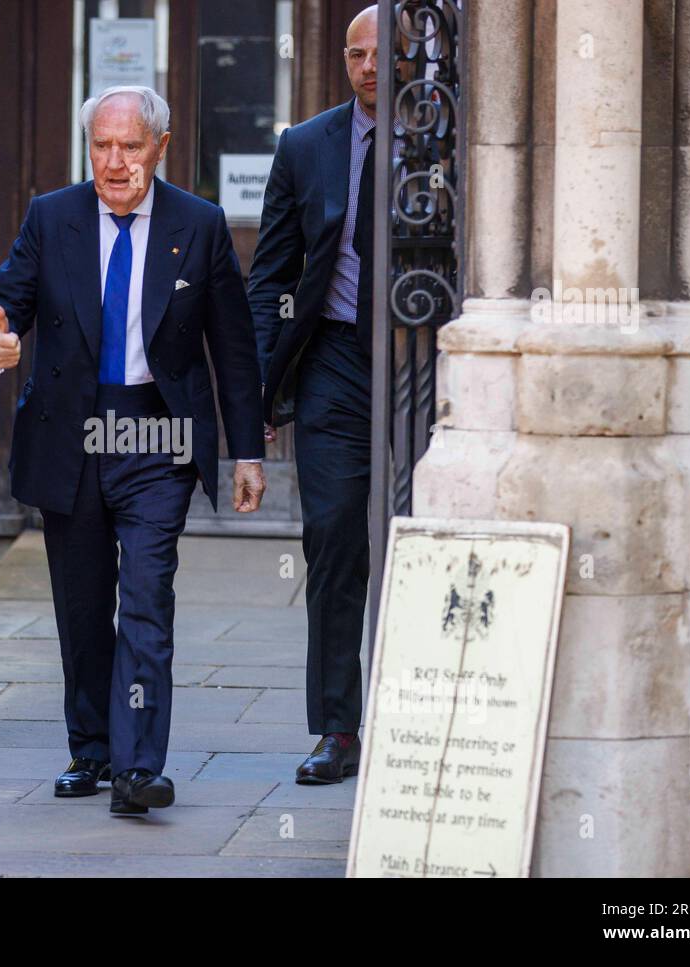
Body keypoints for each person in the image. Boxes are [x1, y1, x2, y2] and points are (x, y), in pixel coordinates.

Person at [0, 85, 266, 814]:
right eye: (102, 146)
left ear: (161, 148)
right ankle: (91, 749)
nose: (115, 161)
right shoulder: (53, 216)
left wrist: (247, 452)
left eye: (131, 146)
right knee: (81, 600)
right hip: (71, 432)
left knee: (145, 598)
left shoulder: (197, 224)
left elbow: (232, 346)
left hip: (157, 432)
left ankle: (138, 767)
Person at [248, 6, 395, 784]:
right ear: (344, 62)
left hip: (423, 360)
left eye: (385, 52)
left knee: (419, 537)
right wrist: (260, 390)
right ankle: (339, 729)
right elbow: (268, 274)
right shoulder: (305, 147)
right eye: (358, 53)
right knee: (335, 537)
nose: (371, 66)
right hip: (334, 361)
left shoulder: (452, 139)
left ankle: (420, 716)